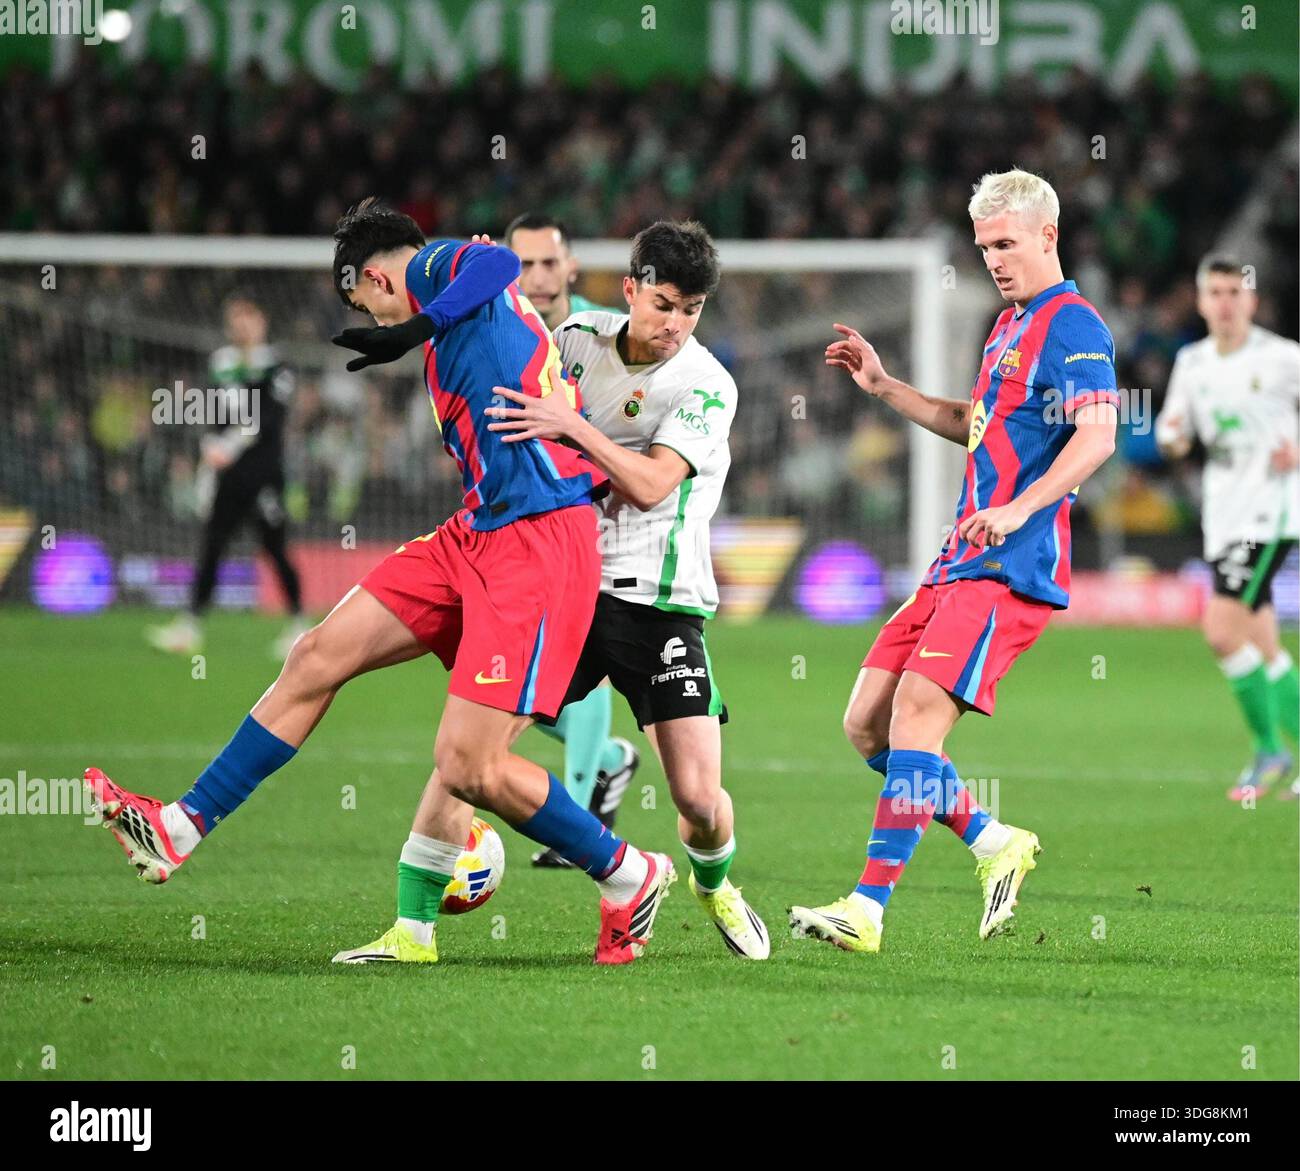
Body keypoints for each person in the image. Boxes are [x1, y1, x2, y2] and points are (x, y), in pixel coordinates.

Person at [86, 199, 675, 967]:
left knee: (470, 764)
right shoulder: (447, 325)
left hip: (540, 543)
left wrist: (410, 325)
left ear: (370, 275)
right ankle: (179, 829)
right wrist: (418, 334)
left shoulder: (439, 270)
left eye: (364, 300)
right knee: (316, 656)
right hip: (479, 533)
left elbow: (492, 263)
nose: (371, 312)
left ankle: (631, 874)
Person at [790, 169, 1119, 952]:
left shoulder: (1072, 325)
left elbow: (1098, 433)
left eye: (1007, 243)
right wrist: (885, 387)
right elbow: (972, 422)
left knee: (913, 718)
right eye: (983, 248)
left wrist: (1019, 506)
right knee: (867, 725)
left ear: (1048, 235)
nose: (995, 260)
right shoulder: (1007, 327)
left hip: (1011, 564)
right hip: (955, 561)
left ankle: (866, 909)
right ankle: (991, 838)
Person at [486, 220, 769, 958]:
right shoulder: (576, 339)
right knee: (474, 749)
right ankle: (418, 913)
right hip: (572, 584)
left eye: (692, 310)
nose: (675, 324)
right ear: (631, 287)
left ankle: (714, 884)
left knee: (699, 800)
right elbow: (519, 410)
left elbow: (648, 484)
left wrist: (572, 429)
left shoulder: (707, 383)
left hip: (661, 604)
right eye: (665, 304)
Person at [503, 211, 639, 863]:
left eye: (547, 263)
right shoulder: (504, 328)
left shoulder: (603, 334)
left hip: (595, 521)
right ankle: (610, 758)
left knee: (571, 664)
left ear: (571, 267)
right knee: (511, 675)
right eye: (523, 264)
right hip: (524, 521)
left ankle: (583, 820)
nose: (536, 276)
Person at [1155, 254, 1300, 800]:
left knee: (1220, 629)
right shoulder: (1192, 363)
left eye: (1234, 292)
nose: (1225, 302)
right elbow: (1175, 432)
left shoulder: (1284, 358)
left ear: (1252, 300)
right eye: (1214, 292)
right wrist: (1171, 437)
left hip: (1273, 512)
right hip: (1225, 515)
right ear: (1200, 301)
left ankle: (1269, 750)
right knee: (1264, 645)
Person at [146, 295, 306, 660]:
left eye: (248, 317)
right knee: (212, 545)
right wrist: (208, 445)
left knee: (275, 549)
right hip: (229, 477)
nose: (241, 325)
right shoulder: (222, 364)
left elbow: (269, 420)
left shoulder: (278, 366)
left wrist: (230, 446)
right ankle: (189, 626)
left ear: (261, 321)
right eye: (235, 319)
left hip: (264, 474)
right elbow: (213, 413)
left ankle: (299, 625)